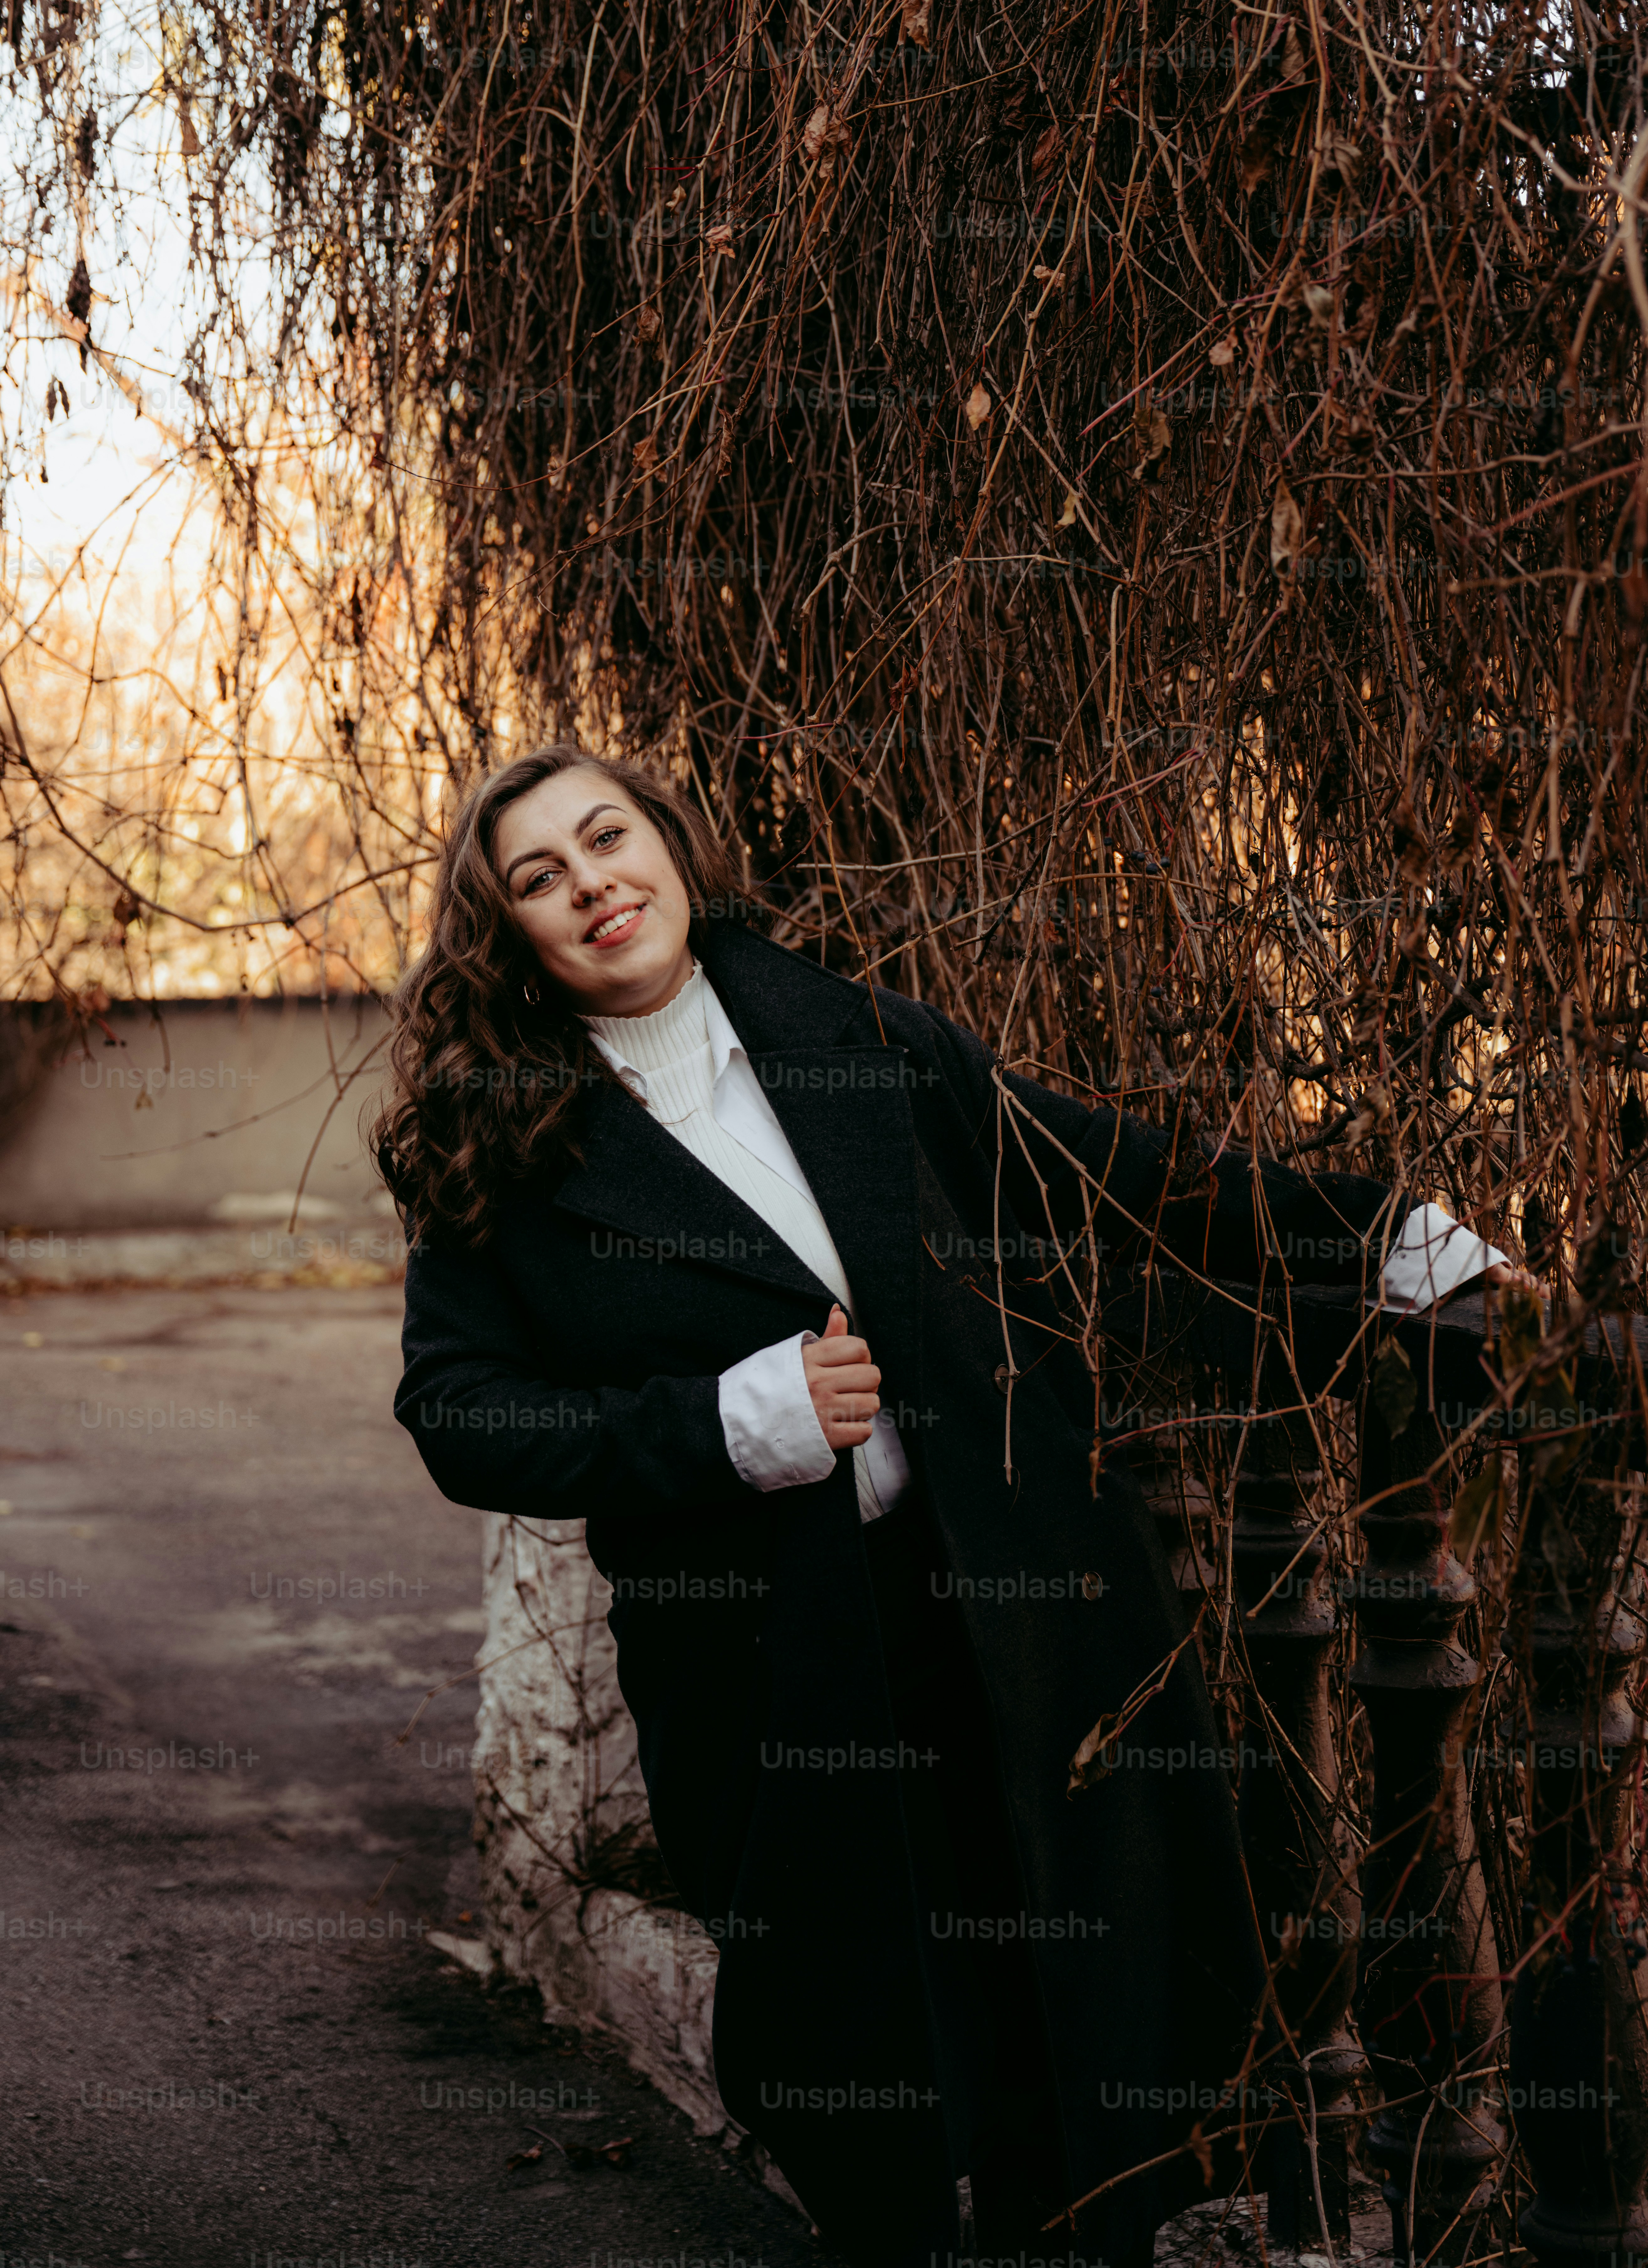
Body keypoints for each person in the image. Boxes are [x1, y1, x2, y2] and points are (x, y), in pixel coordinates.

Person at [379, 744, 1521, 2268]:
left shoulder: (849, 1031)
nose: (592, 884)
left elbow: (1103, 1174)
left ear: (670, 843)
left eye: (610, 838)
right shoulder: (497, 1141)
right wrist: (723, 1425)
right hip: (772, 1663)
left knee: (1075, 2024)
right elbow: (461, 1416)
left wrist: (1388, 1239)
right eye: (540, 875)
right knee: (850, 2066)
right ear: (507, 929)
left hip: (1014, 1615)